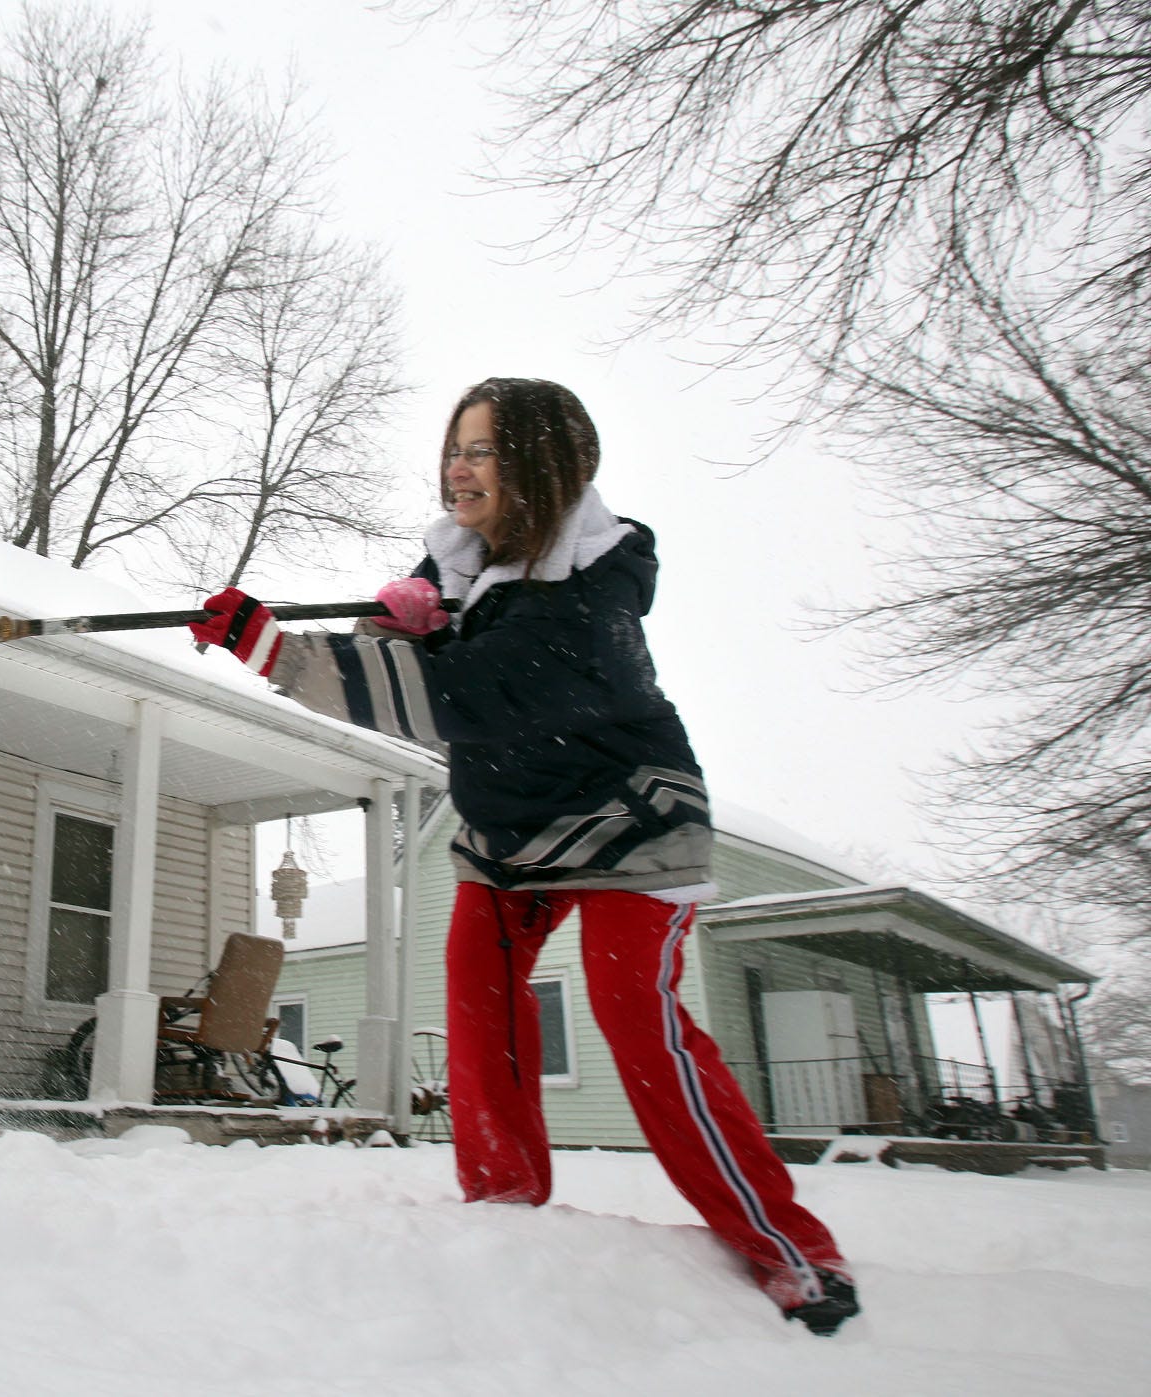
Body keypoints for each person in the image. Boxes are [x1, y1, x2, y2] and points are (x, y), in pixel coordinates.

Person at [189, 377, 859, 1336]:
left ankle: (790, 1249)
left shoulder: (588, 605)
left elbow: (459, 696)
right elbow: (442, 648)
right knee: (477, 1004)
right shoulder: (464, 559)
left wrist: (283, 654)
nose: (457, 468)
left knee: (638, 1023)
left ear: (539, 468)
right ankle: (505, 1215)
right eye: (453, 448)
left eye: (483, 451)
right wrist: (409, 617)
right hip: (505, 831)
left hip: (628, 826)